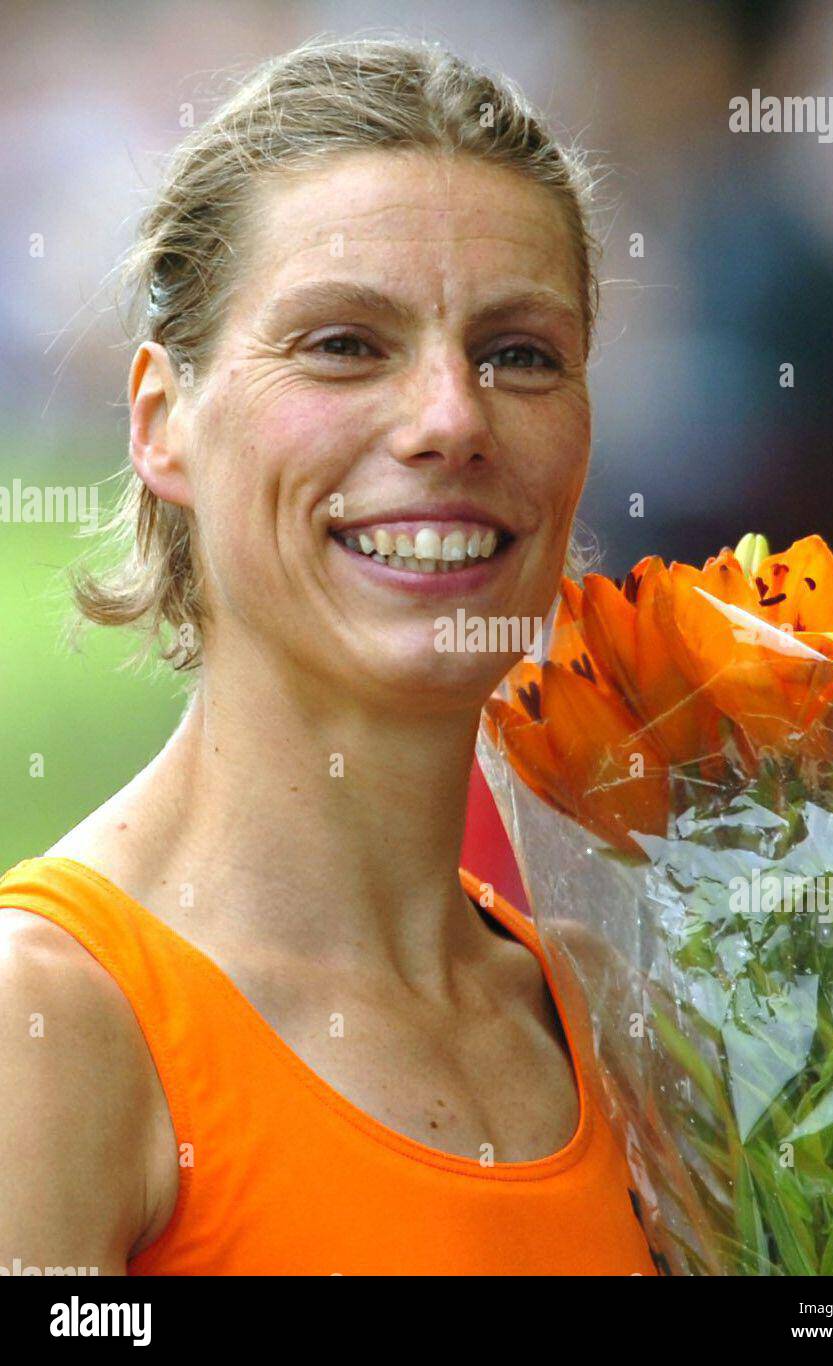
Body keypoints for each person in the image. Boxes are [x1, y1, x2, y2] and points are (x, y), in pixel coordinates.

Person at [0, 34, 658, 1276]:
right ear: (163, 424)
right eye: (344, 343)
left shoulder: (611, 1016)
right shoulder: (51, 1025)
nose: (453, 419)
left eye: (519, 353)